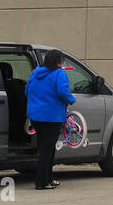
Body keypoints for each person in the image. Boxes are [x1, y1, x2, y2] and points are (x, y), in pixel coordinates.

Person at [25, 50, 76, 191]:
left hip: (36, 116)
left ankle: (50, 178)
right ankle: (41, 182)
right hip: (51, 117)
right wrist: (71, 100)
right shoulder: (59, 73)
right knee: (47, 151)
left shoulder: (36, 72)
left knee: (47, 147)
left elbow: (27, 90)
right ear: (58, 61)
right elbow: (62, 91)